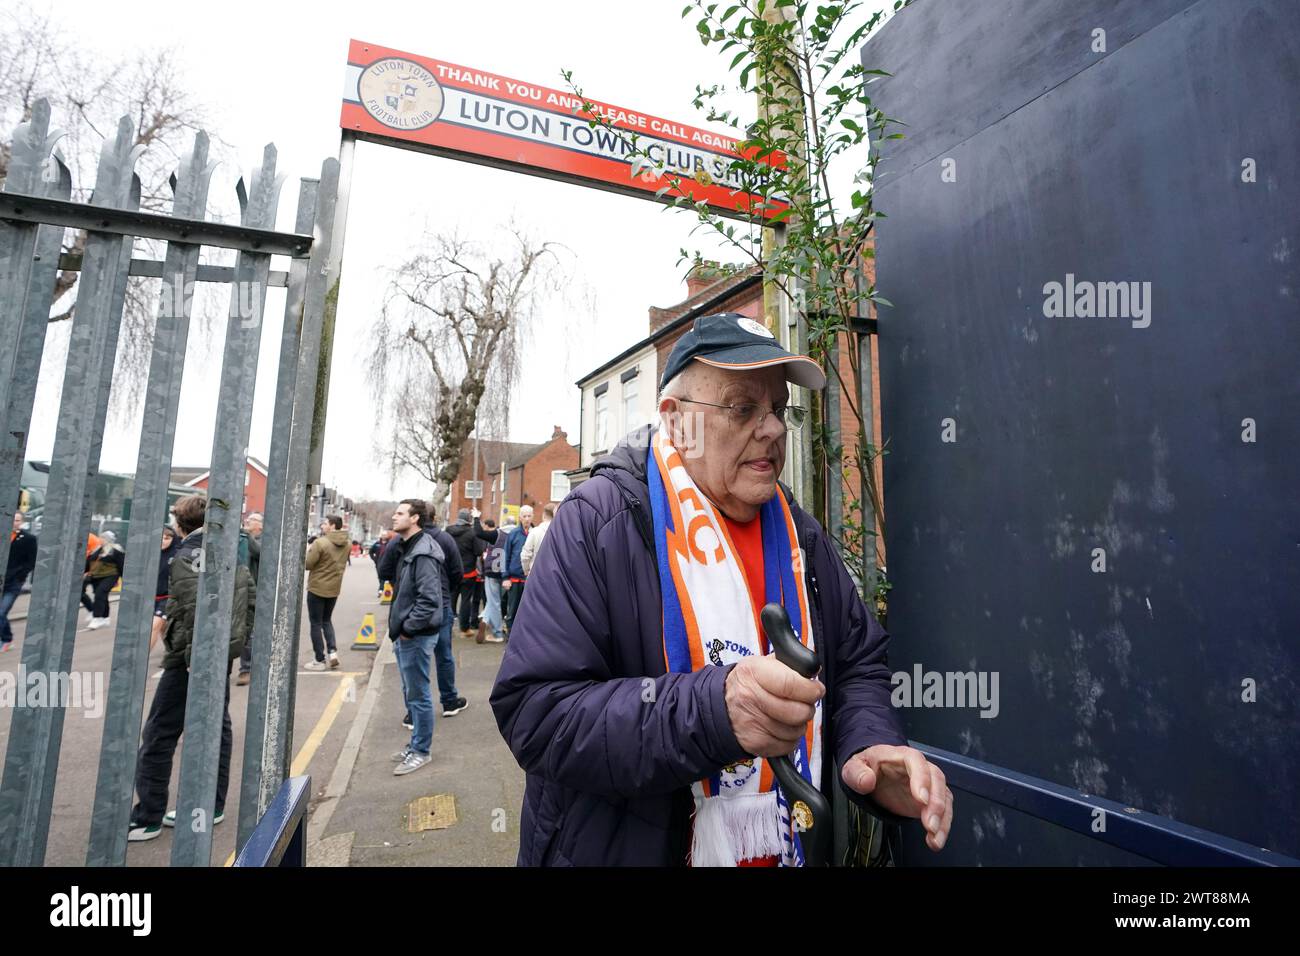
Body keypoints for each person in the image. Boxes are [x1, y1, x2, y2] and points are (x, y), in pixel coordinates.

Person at [490, 312, 954, 866]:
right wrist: (714, 712)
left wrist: (871, 746)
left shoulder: (801, 534)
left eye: (779, 410)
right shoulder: (598, 524)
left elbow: (856, 664)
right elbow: (537, 713)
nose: (774, 429)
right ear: (676, 419)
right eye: (742, 408)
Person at [128, 494, 254, 841]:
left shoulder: (186, 557)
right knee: (218, 728)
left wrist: (189, 660)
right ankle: (211, 805)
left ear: (181, 525)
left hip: (188, 661)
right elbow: (251, 602)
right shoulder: (231, 554)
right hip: (218, 657)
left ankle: (148, 816)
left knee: (159, 734)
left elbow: (196, 609)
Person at [386, 498, 445, 776]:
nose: (394, 517)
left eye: (400, 513)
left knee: (419, 695)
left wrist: (409, 629)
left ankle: (421, 751)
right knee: (411, 692)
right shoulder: (407, 547)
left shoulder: (423, 553)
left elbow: (430, 599)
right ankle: (414, 745)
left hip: (416, 636)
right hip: (407, 634)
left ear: (415, 519)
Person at [303, 515, 349, 671]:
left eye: (325, 523)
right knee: (327, 621)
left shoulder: (320, 543)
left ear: (333, 525)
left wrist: (309, 551)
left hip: (317, 588)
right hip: (334, 588)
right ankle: (332, 652)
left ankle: (319, 660)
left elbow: (308, 564)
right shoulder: (347, 543)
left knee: (316, 623)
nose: (322, 525)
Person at [447, 507, 486, 640]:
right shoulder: (471, 533)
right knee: (465, 600)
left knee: (451, 599)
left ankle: (447, 627)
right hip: (468, 572)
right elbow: (479, 551)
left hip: (451, 571)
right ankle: (464, 628)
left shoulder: (448, 530)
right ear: (468, 519)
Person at [2, 510, 37, 651]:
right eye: (12, 519)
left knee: (1, 612)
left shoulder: (29, 538)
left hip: (14, 582)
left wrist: (20, 575)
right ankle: (7, 638)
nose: (14, 522)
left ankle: (6, 640)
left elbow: (31, 561)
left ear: (21, 522)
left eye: (17, 520)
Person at [236, 512, 262, 686]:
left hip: (253, 590)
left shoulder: (262, 539)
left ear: (260, 524)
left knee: (249, 630)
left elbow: (258, 552)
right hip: (238, 589)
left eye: (252, 519)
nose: (248, 521)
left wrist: (244, 533)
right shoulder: (242, 537)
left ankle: (246, 669)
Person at [82, 530, 125, 630]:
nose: (100, 539)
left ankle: (97, 617)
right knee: (101, 595)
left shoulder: (116, 550)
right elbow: (89, 561)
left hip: (110, 576)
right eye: (100, 537)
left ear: (108, 539)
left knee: (100, 593)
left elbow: (121, 565)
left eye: (103, 537)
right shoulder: (97, 549)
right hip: (96, 576)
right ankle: (105, 617)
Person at [473, 513, 506, 643]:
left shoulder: (495, 534)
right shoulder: (513, 534)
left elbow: (478, 532)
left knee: (494, 602)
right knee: (496, 602)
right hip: (505, 574)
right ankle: (486, 619)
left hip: (492, 572)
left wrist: (476, 518)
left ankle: (497, 633)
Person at [501, 505, 533, 635]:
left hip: (530, 579)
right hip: (514, 579)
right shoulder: (513, 534)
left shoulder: (535, 533)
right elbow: (505, 555)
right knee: (512, 610)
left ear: (533, 516)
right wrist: (505, 577)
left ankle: (524, 636)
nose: (526, 519)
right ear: (520, 517)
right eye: (524, 516)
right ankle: (510, 637)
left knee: (528, 610)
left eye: (529, 516)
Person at [149, 526, 179, 652]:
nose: (163, 541)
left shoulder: (177, 554)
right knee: (163, 628)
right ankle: (172, 654)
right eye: (161, 538)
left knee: (155, 625)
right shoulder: (150, 553)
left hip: (167, 597)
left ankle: (138, 660)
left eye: (167, 538)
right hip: (151, 597)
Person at [519, 502, 556, 578]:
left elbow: (525, 555)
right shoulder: (560, 532)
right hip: (554, 575)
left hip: (536, 574)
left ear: (544, 515)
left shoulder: (535, 532)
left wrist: (526, 570)